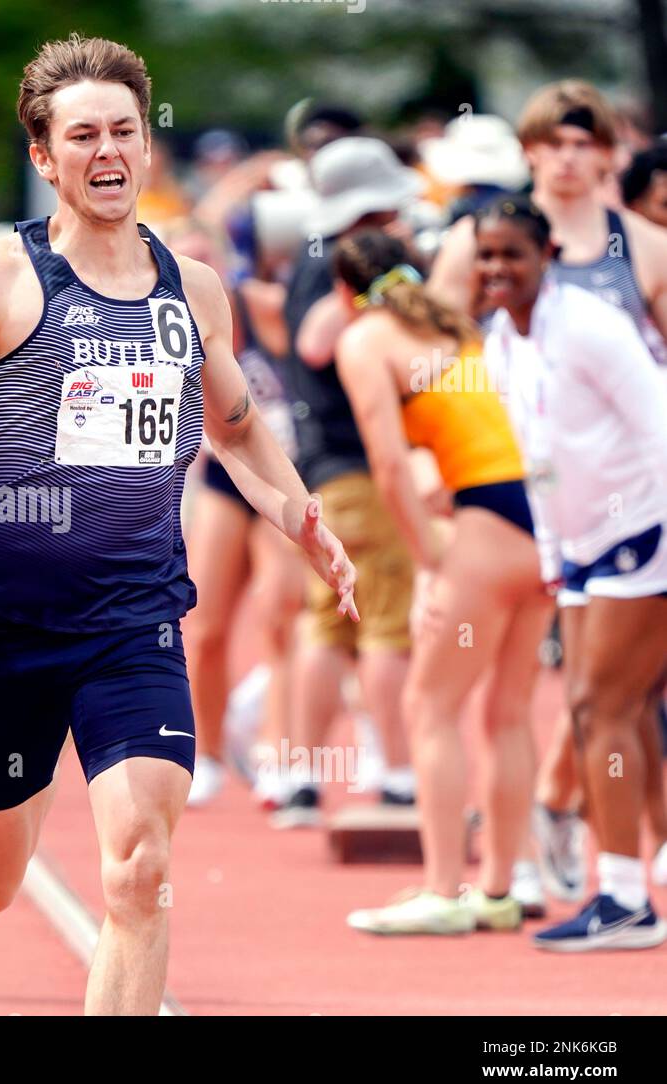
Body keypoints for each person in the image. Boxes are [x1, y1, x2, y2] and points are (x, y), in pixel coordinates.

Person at [0, 34, 357, 1015]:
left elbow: (234, 427)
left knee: (138, 869)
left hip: (132, 624)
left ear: (147, 146)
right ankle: (32, 773)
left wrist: (297, 514)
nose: (108, 152)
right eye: (83, 136)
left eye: (125, 132)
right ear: (43, 156)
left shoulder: (191, 290)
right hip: (5, 623)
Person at [430, 82, 667, 896]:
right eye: (553, 143)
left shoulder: (640, 246)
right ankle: (550, 840)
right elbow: (435, 350)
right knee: (573, 691)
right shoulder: (481, 248)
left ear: (607, 155)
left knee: (611, 692)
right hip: (521, 489)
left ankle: (596, 843)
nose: (568, 159)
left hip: (634, 497)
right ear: (528, 151)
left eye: (584, 144)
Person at [332, 231, 553, 933]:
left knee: (430, 707)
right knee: (509, 711)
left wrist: (430, 564)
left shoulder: (366, 338)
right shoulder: (449, 323)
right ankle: (497, 887)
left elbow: (391, 466)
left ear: (346, 293)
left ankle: (443, 888)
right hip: (543, 519)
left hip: (488, 520)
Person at [477, 197, 667, 950]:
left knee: (597, 705)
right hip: (586, 541)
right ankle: (638, 872)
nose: (496, 269)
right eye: (485, 255)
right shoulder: (502, 341)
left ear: (547, 253)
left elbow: (659, 425)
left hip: (643, 528)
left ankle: (623, 895)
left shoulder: (591, 325)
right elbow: (538, 456)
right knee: (625, 705)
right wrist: (557, 556)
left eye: (511, 255)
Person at [272, 136, 425, 827]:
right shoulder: (345, 270)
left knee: (326, 624)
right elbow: (314, 341)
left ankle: (305, 773)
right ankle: (396, 771)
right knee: (385, 623)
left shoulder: (309, 262)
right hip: (360, 467)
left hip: (321, 470)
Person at [161, 219, 302, 808]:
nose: (195, 277)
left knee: (282, 615)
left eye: (203, 261)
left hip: (287, 478)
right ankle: (211, 753)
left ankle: (280, 755)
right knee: (208, 625)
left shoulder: (264, 308)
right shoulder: (161, 327)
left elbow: (318, 366)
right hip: (223, 481)